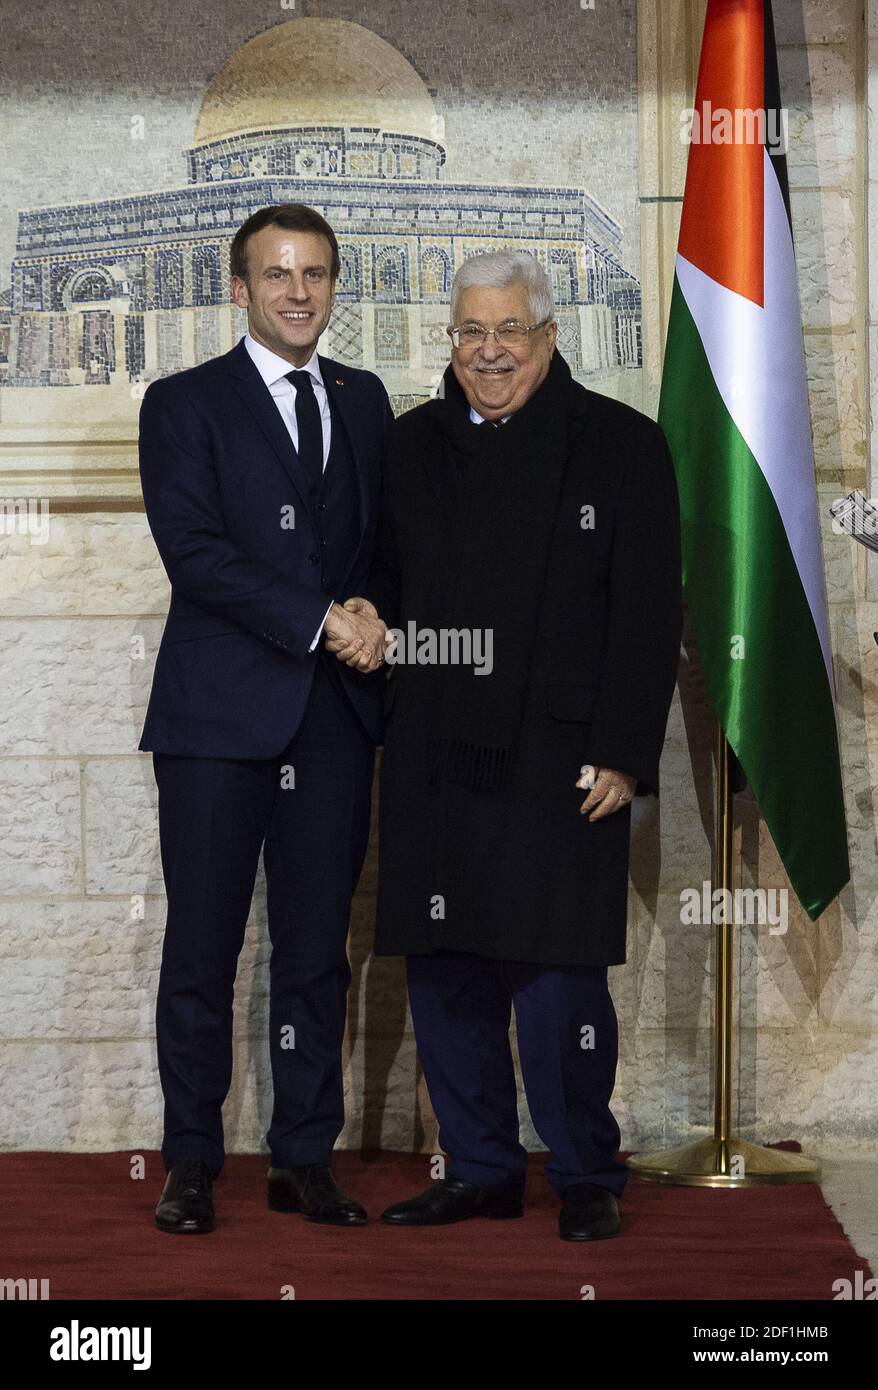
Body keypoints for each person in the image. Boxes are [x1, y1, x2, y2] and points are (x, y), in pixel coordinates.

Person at [350, 248, 682, 1240]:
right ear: (448, 339)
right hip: (433, 754)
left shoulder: (619, 445)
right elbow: (382, 585)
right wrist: (365, 617)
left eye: (507, 332)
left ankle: (585, 1173)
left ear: (546, 336)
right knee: (445, 971)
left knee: (555, 981)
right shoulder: (409, 448)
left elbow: (644, 614)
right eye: (468, 331)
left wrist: (623, 752)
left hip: (563, 758)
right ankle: (482, 1167)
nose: (487, 351)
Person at [139, 203, 390, 1234]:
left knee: (314, 952)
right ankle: (191, 1162)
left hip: (332, 720)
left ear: (334, 286)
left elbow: (384, 539)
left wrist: (377, 608)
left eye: (316, 274)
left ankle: (301, 1158)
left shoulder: (367, 399)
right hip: (213, 721)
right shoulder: (182, 403)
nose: (298, 292)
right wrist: (319, 618)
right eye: (278, 274)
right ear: (238, 288)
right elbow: (194, 553)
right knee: (201, 948)